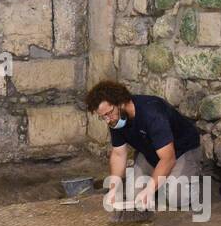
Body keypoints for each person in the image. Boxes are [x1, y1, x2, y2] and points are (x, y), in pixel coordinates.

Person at [85, 80, 203, 211]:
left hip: (180, 151)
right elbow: (119, 154)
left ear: (121, 102)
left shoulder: (152, 113)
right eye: (103, 117)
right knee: (133, 195)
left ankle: (191, 178)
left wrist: (150, 188)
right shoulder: (116, 119)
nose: (107, 120)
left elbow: (168, 159)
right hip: (150, 152)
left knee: (177, 199)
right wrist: (114, 189)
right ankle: (161, 181)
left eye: (108, 114)